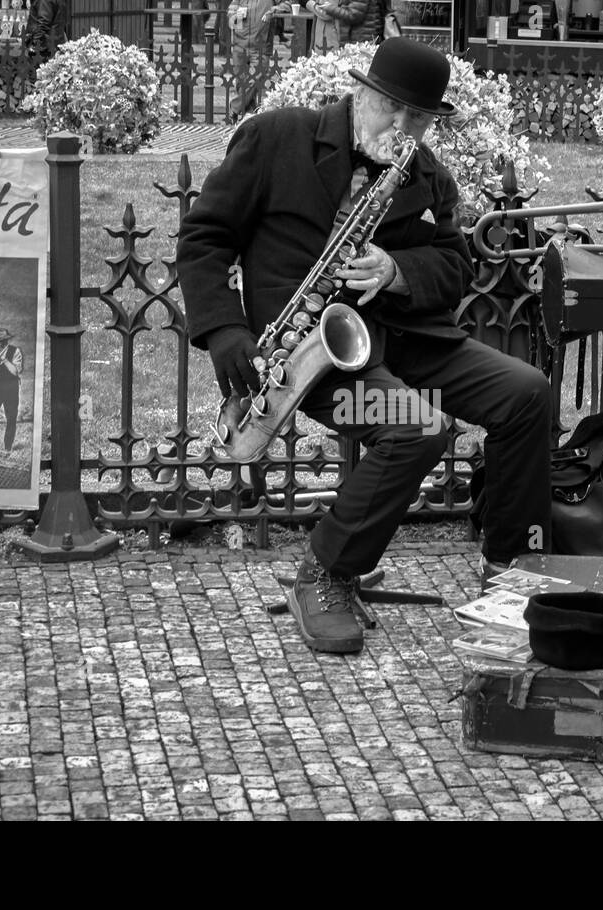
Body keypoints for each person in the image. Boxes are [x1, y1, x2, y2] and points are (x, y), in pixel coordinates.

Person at [178, 38, 553, 655]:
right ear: (362, 92)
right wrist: (223, 330)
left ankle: (509, 570)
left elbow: (456, 266)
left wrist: (396, 270)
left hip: (411, 340)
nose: (404, 129)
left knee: (527, 394)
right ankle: (325, 571)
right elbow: (204, 236)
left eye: (421, 118)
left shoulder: (425, 171)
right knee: (417, 426)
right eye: (393, 110)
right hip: (313, 364)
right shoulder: (275, 138)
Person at [227, 0, 281, 123]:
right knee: (242, 83)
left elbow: (287, 4)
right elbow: (230, 18)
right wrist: (235, 17)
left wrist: (274, 11)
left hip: (261, 46)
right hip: (239, 44)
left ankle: (235, 107)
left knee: (256, 77)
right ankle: (249, 117)